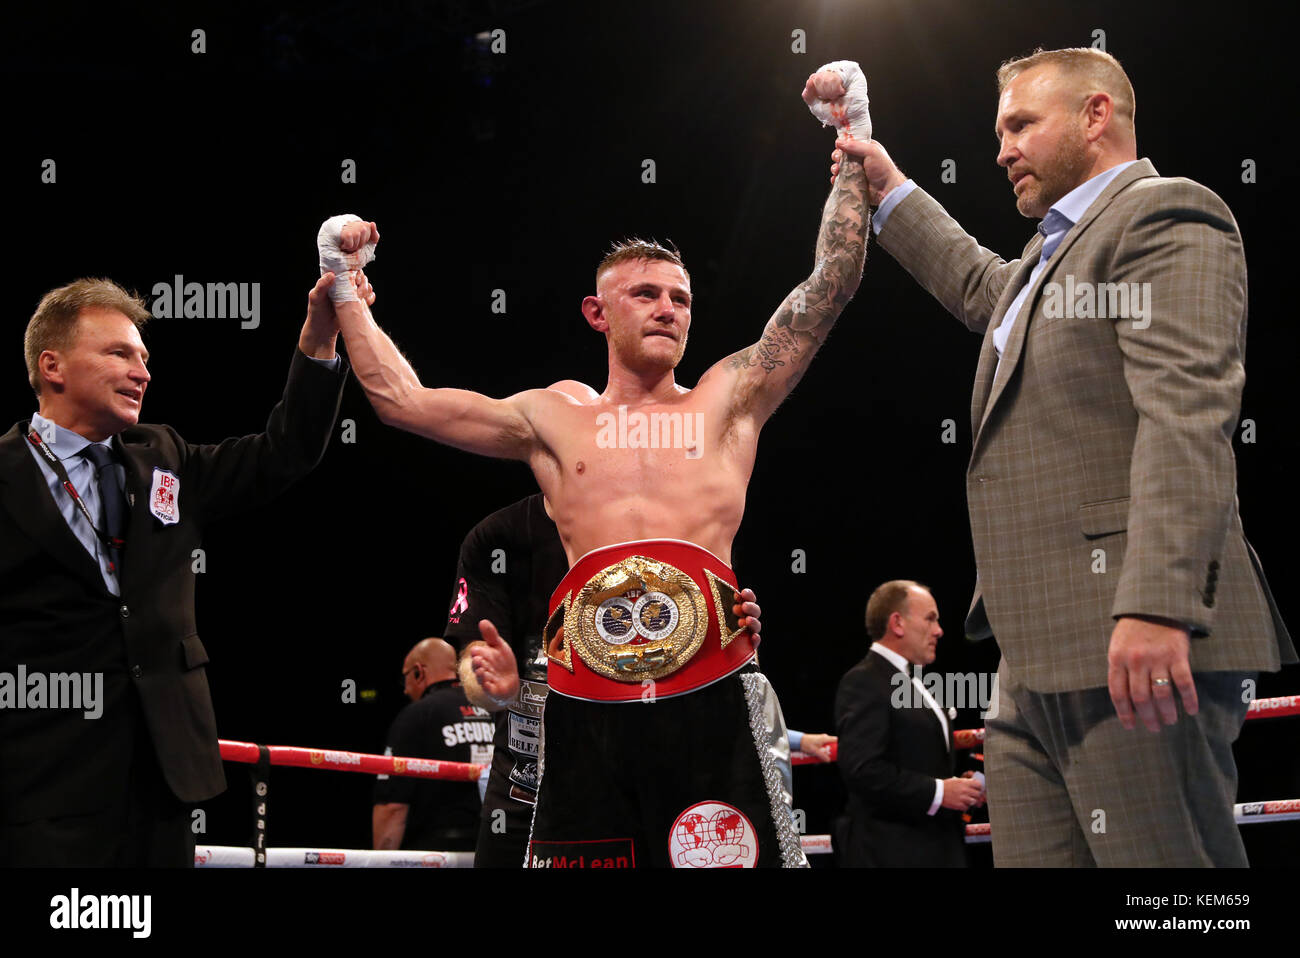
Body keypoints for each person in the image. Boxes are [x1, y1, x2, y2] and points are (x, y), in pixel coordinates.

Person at [317, 66, 871, 867]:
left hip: (713, 699)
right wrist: (343, 284)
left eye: (681, 298)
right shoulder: (553, 419)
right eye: (645, 294)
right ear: (597, 313)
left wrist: (852, 136)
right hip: (582, 710)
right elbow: (402, 401)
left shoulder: (729, 401)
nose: (668, 309)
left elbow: (831, 287)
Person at [829, 48, 1295, 866]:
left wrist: (1158, 603)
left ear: (1095, 115)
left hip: (1132, 626)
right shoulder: (1047, 261)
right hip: (1034, 657)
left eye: (1020, 125)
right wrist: (887, 186)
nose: (1001, 150)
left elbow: (1187, 415)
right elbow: (980, 285)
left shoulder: (1163, 214)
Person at [0, 274, 348, 867]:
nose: (142, 372)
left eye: (144, 359)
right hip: (43, 781)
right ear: (51, 366)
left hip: (164, 777)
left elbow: (283, 451)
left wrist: (319, 337)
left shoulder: (163, 455)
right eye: (119, 353)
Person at [443, 492, 829, 866]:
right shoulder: (498, 537)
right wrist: (493, 686)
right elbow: (476, 663)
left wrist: (732, 638)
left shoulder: (674, 527)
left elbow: (725, 665)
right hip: (526, 787)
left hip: (655, 783)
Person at [834, 581, 982, 867]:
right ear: (897, 623)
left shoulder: (916, 682)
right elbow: (862, 770)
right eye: (930, 619)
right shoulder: (864, 681)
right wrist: (939, 791)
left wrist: (958, 787)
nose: (939, 630)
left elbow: (915, 760)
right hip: (892, 851)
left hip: (937, 846)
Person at [373, 638, 493, 852]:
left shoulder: (416, 715)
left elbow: (392, 806)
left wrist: (382, 860)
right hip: (492, 847)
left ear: (418, 672)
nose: (405, 690)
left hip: (434, 851)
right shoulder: (493, 708)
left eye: (405, 677)